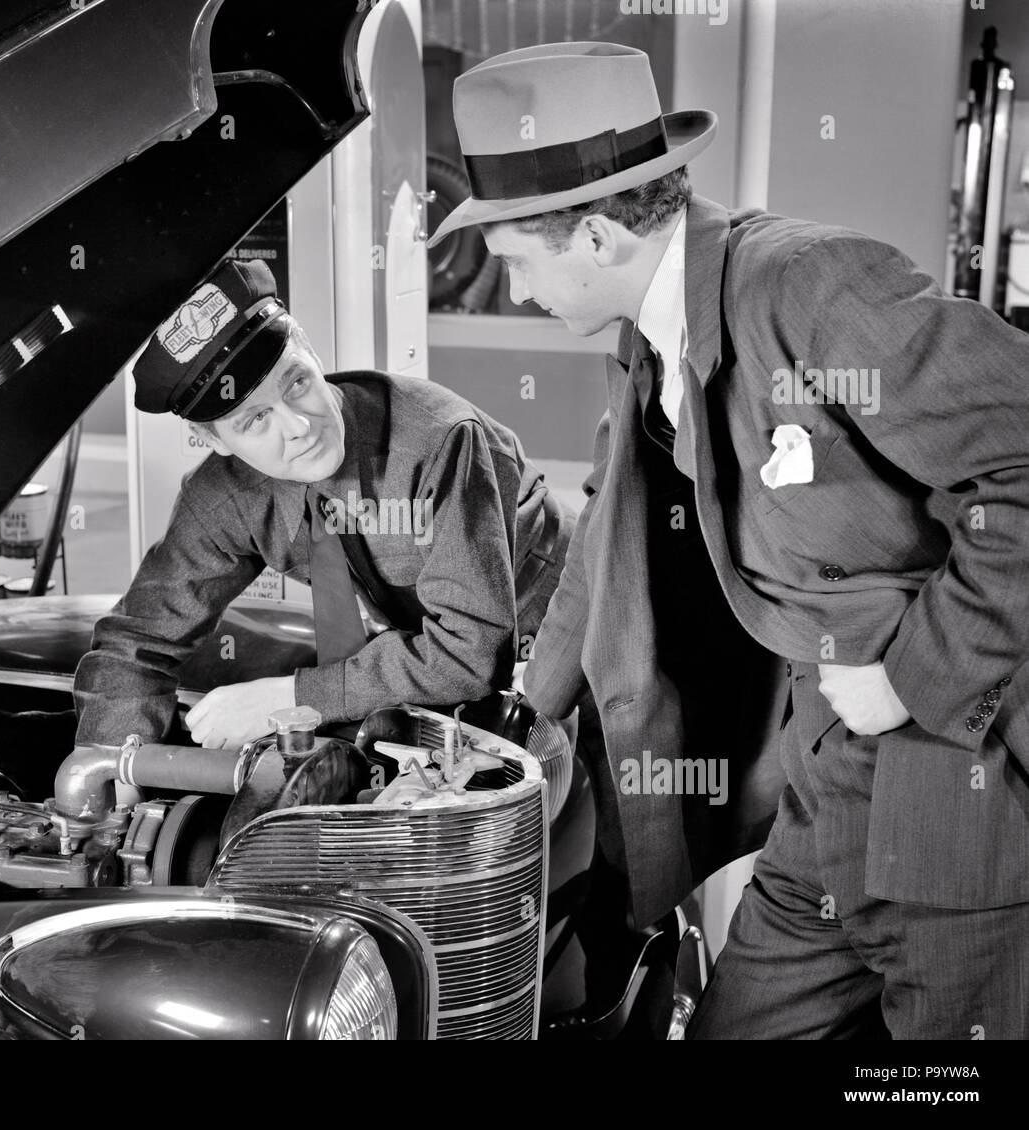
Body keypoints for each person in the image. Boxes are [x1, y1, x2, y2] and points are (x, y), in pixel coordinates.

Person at [429, 41, 1029, 1039]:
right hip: (822, 778)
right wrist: (509, 726)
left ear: (588, 237)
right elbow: (603, 537)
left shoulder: (809, 287)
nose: (514, 290)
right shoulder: (646, 333)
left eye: (514, 261)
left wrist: (911, 677)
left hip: (954, 787)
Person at [73, 258, 572, 751]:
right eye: (255, 420)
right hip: (425, 647)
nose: (299, 426)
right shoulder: (223, 496)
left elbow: (469, 652)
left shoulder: (434, 442)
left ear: (311, 352)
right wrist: (107, 769)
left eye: (297, 384)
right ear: (212, 438)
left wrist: (288, 698)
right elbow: (135, 642)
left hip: (566, 620)